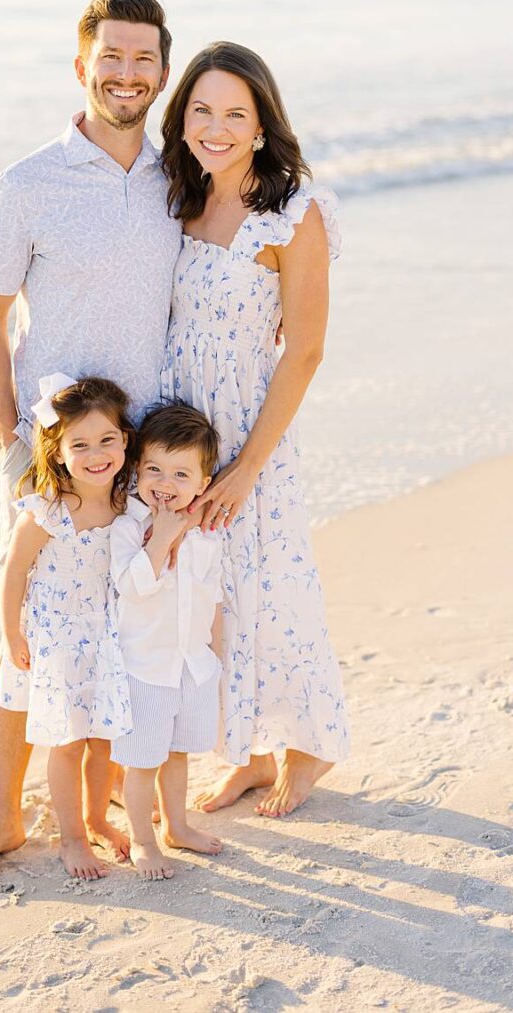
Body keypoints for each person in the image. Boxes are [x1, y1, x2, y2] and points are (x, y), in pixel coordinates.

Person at [0, 0, 182, 888]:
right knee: (26, 641)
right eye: (110, 57)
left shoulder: (176, 179)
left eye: (143, 59)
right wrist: (11, 441)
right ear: (81, 64)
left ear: (162, 69)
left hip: (139, 458)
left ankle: (97, 803)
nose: (127, 74)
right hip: (50, 457)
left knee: (119, 631)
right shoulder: (28, 182)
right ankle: (4, 814)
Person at [159, 41, 349, 817]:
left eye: (235, 112)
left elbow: (304, 349)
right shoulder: (178, 197)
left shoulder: (293, 213)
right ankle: (250, 749)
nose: (216, 125)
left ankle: (308, 749)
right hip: (182, 431)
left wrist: (245, 467)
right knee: (214, 596)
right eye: (202, 108)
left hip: (250, 432)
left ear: (263, 125)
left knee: (274, 587)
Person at [0, 374, 134, 881]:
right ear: (58, 449)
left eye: (107, 440)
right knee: (68, 742)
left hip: (107, 637)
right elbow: (13, 571)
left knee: (105, 740)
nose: (97, 454)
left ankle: (96, 819)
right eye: (81, 445)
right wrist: (12, 635)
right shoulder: (49, 509)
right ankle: (71, 837)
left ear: (125, 441)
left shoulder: (124, 500)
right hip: (59, 642)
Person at [108, 403, 227, 879]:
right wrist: (160, 540)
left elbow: (212, 598)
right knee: (142, 763)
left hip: (190, 665)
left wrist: (213, 657)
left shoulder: (208, 537)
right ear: (137, 470)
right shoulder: (127, 530)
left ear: (203, 483)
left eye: (181, 474)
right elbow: (132, 588)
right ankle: (142, 839)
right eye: (154, 469)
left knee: (177, 753)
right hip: (145, 669)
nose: (165, 483)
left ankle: (177, 826)